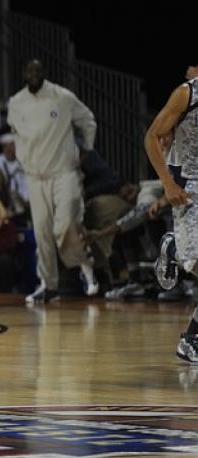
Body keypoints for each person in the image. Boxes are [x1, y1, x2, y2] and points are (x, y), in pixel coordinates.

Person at [7, 59, 99, 303]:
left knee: (65, 224)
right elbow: (18, 135)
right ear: (24, 73)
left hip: (64, 172)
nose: (34, 73)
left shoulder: (62, 97)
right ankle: (48, 285)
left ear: (45, 72)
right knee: (42, 234)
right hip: (34, 177)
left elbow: (88, 119)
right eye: (30, 69)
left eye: (38, 69)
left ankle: (85, 266)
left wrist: (87, 148)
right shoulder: (15, 103)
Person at [144, 63, 198, 363]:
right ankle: (175, 248)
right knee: (196, 261)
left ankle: (192, 339)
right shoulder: (187, 94)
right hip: (189, 185)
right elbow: (152, 137)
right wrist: (166, 184)